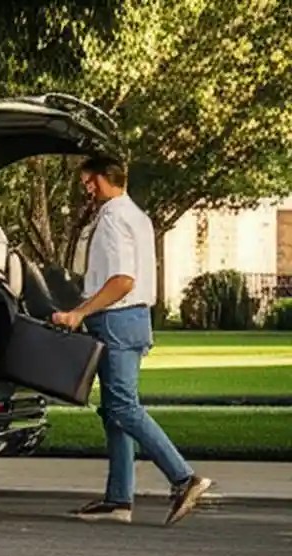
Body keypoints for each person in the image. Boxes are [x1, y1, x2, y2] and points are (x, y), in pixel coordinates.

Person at [51, 155, 214, 526]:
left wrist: (80, 312)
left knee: (123, 408)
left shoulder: (112, 219)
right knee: (114, 412)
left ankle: (184, 478)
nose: (87, 189)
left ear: (107, 179)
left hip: (116, 319)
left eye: (90, 181)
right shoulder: (137, 215)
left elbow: (122, 280)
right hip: (132, 319)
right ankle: (118, 500)